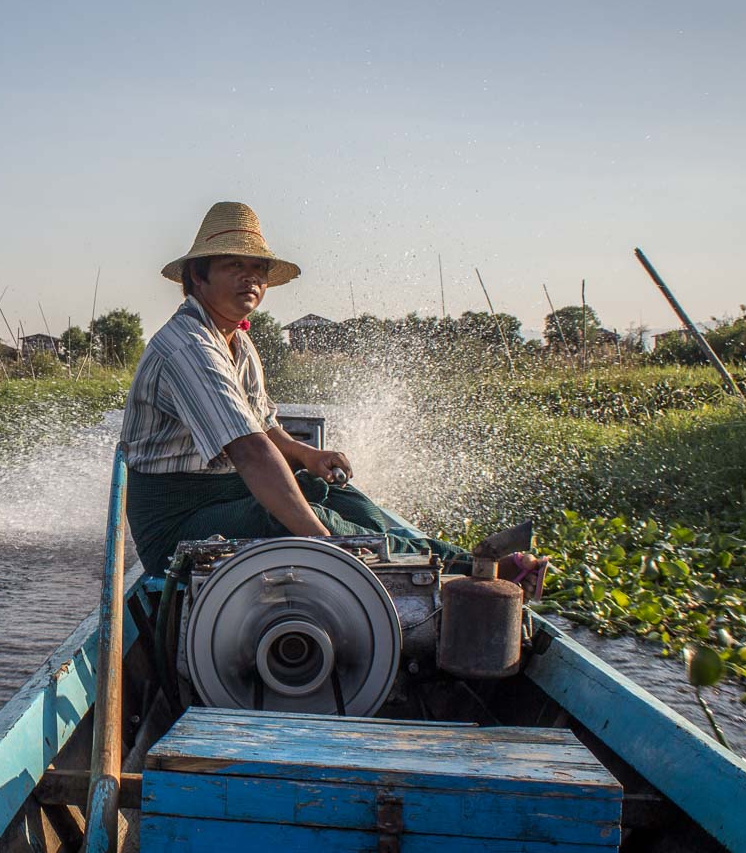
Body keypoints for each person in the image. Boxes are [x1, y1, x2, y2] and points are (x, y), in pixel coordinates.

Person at [120, 201, 544, 588]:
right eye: (234, 264)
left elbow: (264, 428)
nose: (250, 277)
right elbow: (251, 452)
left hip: (225, 493)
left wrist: (307, 456)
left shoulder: (237, 342)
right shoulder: (189, 346)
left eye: (258, 268)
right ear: (199, 274)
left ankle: (456, 562)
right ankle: (444, 572)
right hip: (174, 526)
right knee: (292, 517)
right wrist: (324, 544)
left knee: (337, 496)